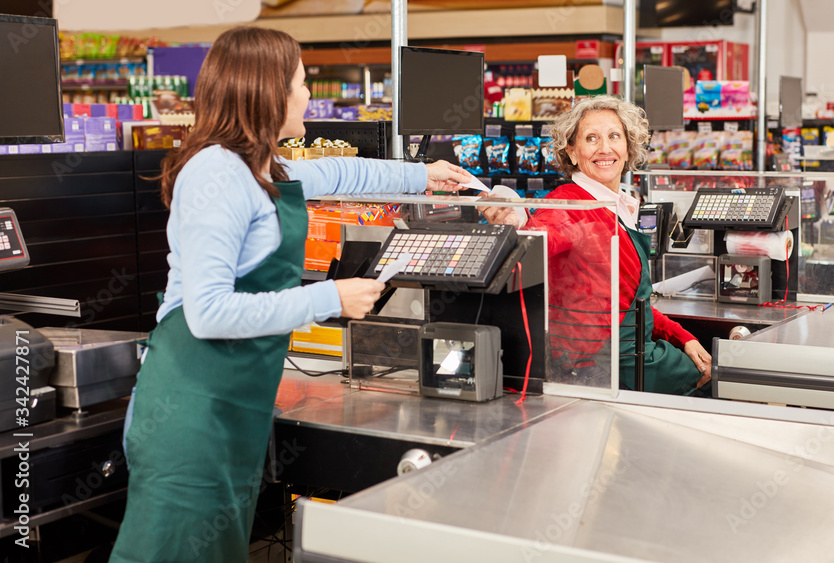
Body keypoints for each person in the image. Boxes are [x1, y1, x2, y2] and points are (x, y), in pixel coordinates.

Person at [109, 27, 472, 563]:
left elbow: (339, 170)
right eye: (301, 83)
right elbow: (208, 312)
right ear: (268, 89)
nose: (308, 95)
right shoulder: (216, 172)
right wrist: (331, 298)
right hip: (187, 409)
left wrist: (424, 174)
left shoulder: (261, 169)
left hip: (232, 404)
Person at [483, 95, 711, 395]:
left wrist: (682, 336)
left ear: (628, 147)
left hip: (628, 354)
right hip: (600, 368)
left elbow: (625, 303)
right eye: (591, 138)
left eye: (614, 136)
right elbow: (545, 232)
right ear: (573, 152)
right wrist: (519, 221)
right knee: (716, 381)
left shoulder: (619, 205)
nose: (605, 148)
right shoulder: (570, 204)